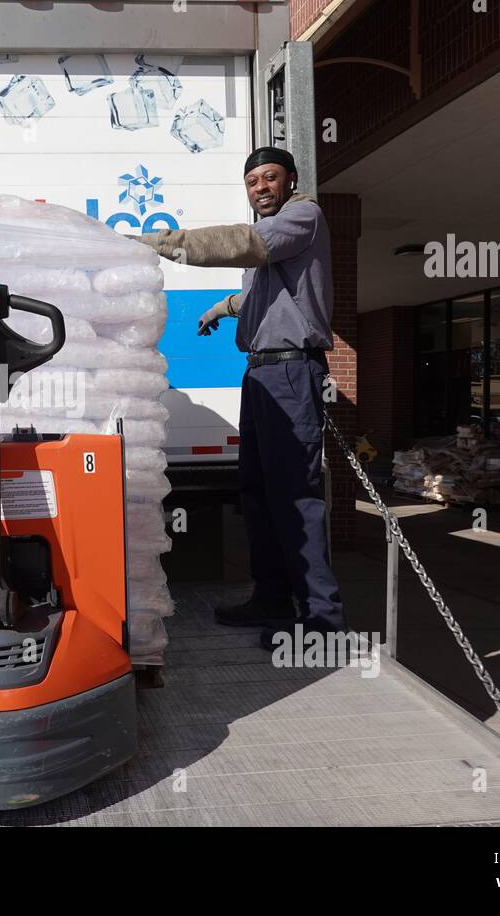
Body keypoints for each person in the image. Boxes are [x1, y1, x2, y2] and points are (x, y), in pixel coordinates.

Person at [133, 146, 346, 646]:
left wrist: (160, 243)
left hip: (292, 373)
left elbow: (243, 243)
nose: (261, 188)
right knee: (257, 492)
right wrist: (222, 309)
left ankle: (322, 621)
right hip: (261, 374)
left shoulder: (302, 216)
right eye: (252, 182)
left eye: (270, 178)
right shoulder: (274, 243)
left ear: (291, 180)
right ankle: (272, 600)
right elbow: (261, 293)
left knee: (295, 495)